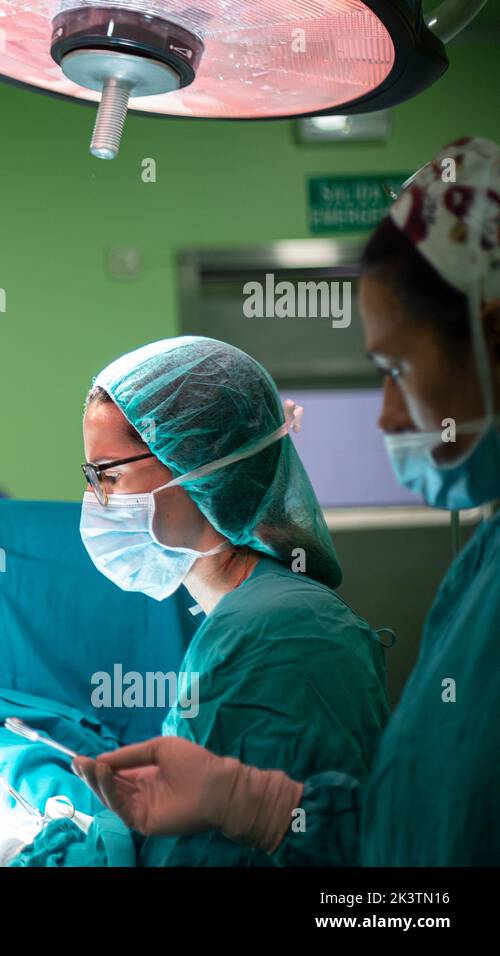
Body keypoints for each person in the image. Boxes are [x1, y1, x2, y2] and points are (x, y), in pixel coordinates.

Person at [70, 136, 500, 866]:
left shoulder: (280, 635)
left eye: (397, 367)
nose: (387, 418)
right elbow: (410, 837)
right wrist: (250, 804)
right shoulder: (481, 572)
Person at [14, 335, 389, 866]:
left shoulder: (274, 633)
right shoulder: (248, 615)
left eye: (110, 476)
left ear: (200, 464)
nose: (98, 500)